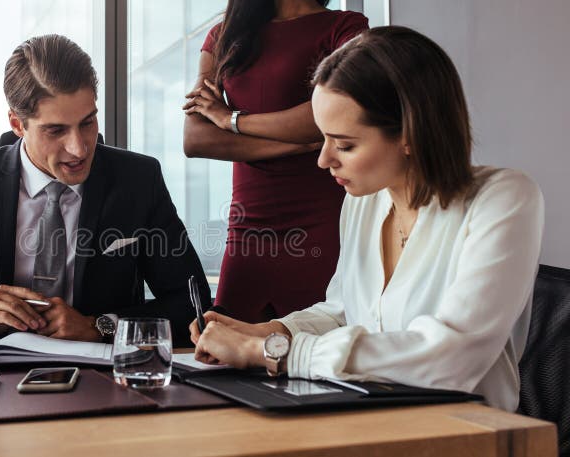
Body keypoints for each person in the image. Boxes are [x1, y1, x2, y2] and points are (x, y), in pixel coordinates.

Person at [190, 26, 544, 412]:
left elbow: (452, 357)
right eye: (324, 139)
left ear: (410, 133)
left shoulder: (504, 199)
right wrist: (267, 331)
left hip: (463, 434)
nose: (324, 160)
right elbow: (342, 312)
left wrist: (271, 351)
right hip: (364, 418)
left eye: (345, 144)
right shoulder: (365, 201)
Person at [0, 35, 210, 345]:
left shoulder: (137, 180)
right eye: (56, 130)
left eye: (87, 122)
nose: (79, 148)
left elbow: (192, 305)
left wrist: (99, 326)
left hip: (101, 382)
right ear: (17, 123)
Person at [183, 0, 368, 323]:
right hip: (248, 229)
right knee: (221, 347)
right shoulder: (223, 36)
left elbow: (333, 112)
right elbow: (196, 139)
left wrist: (232, 121)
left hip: (323, 222)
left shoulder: (346, 27)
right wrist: (293, 145)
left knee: (319, 346)